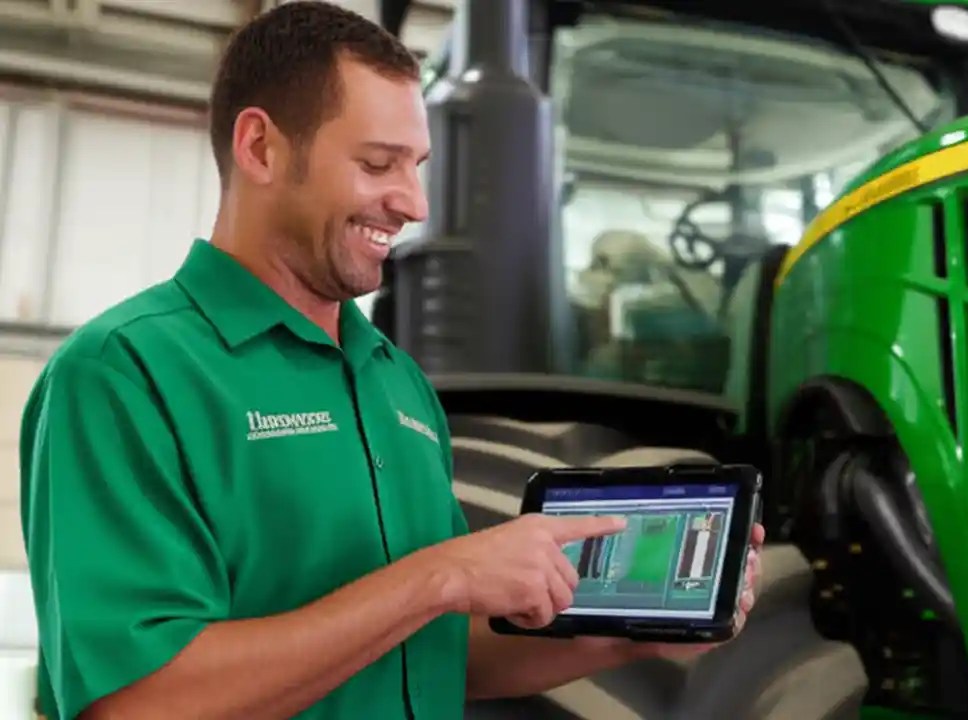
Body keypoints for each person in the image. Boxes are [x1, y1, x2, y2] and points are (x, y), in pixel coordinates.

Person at [16, 2, 764, 719]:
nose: (414, 204)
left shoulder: (398, 385)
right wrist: (438, 577)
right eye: (379, 164)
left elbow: (430, 655)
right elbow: (139, 702)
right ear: (260, 148)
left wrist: (637, 634)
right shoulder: (124, 373)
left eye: (418, 166)